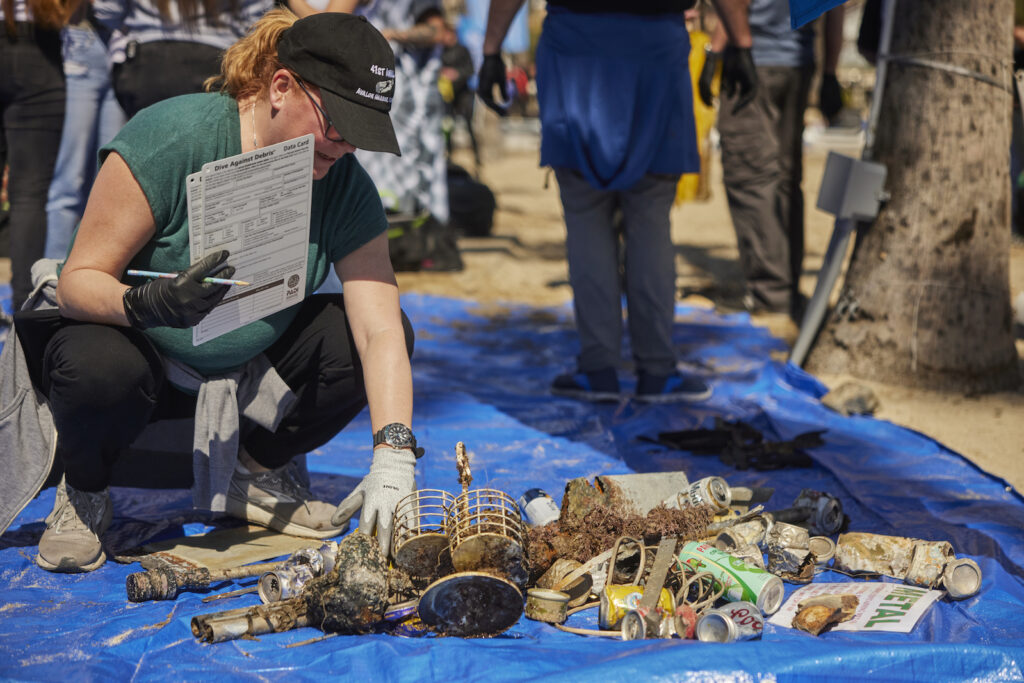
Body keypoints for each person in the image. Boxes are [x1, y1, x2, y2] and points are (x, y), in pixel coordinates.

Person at [0, 9, 420, 573]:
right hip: (140, 355)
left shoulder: (343, 182)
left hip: (242, 372)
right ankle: (85, 490)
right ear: (280, 87)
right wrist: (144, 303)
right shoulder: (175, 136)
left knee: (362, 336)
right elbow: (77, 283)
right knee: (97, 366)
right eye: (336, 124)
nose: (345, 147)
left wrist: (394, 453)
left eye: (360, 134)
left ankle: (254, 469)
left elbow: (380, 327)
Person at [478, 0, 756, 403]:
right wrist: (742, 44)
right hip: (652, 51)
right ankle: (657, 371)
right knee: (650, 220)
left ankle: (598, 369)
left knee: (586, 217)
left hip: (577, 50)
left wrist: (491, 51)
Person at [699, 1, 844, 319]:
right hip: (798, 62)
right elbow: (835, 10)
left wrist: (720, 49)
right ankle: (785, 290)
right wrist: (830, 71)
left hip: (754, 59)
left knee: (751, 176)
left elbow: (734, 4)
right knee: (784, 178)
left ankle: (772, 296)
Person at [93, 0, 276, 118]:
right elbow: (258, 18)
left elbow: (107, 10)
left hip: (149, 65)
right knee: (208, 159)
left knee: (147, 155)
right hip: (218, 64)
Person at [0, 0, 67, 319]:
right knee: (28, 195)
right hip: (38, 49)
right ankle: (22, 312)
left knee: (28, 196)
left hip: (37, 43)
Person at [45, 1, 126, 261]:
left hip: (123, 47)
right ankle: (52, 283)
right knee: (69, 180)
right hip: (82, 36)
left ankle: (90, 269)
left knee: (107, 179)